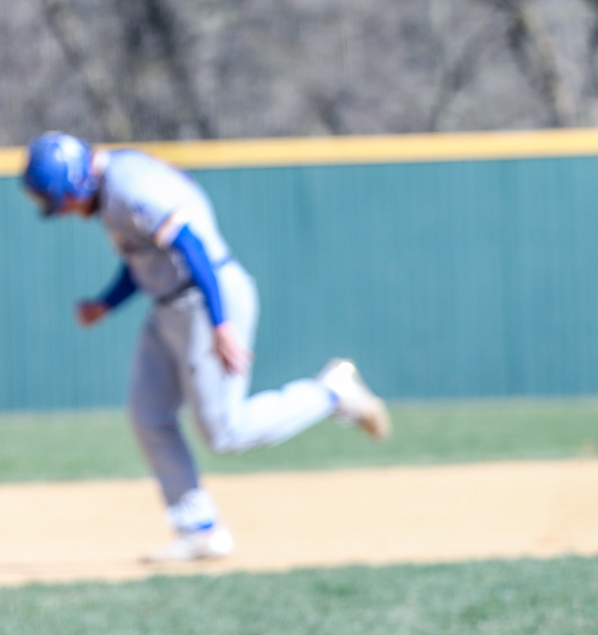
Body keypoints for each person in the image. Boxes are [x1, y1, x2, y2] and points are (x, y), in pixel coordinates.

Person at [20, 132, 391, 564]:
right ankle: (200, 530)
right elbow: (143, 258)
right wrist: (106, 303)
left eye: (60, 199)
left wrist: (221, 323)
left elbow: (190, 244)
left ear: (76, 183)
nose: (62, 211)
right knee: (149, 415)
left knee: (226, 432)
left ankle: (331, 392)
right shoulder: (114, 181)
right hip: (171, 304)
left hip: (204, 297)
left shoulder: (127, 188)